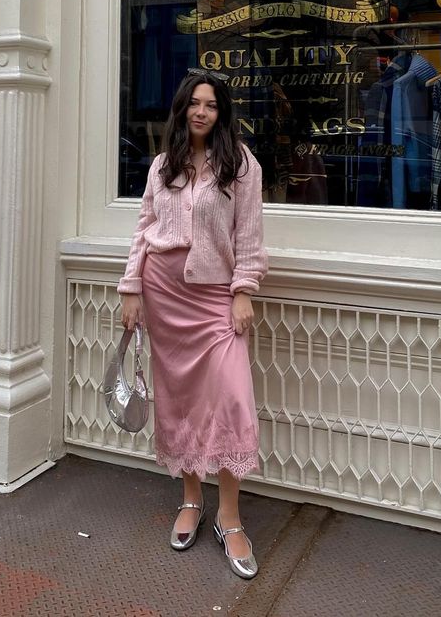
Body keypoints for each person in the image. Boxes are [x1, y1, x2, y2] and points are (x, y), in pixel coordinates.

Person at [118, 68, 268, 579]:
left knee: (229, 398)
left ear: (221, 112)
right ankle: (189, 498)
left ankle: (230, 516)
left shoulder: (241, 165)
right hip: (163, 293)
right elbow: (144, 230)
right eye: (193, 103)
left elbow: (248, 237)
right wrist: (131, 288)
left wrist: (242, 291)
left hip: (213, 301)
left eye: (211, 104)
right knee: (177, 397)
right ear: (182, 110)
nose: (201, 111)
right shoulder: (163, 165)